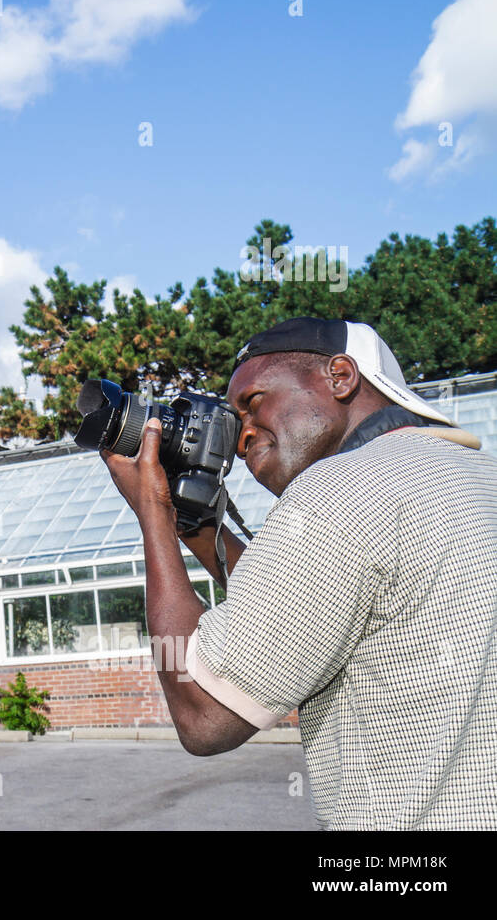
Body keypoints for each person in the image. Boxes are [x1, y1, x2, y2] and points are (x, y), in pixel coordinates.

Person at [99, 317, 497, 829]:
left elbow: (202, 716)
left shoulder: (337, 491)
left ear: (340, 376)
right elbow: (300, 613)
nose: (241, 436)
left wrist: (152, 510)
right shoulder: (475, 475)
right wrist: (196, 528)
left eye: (254, 401)